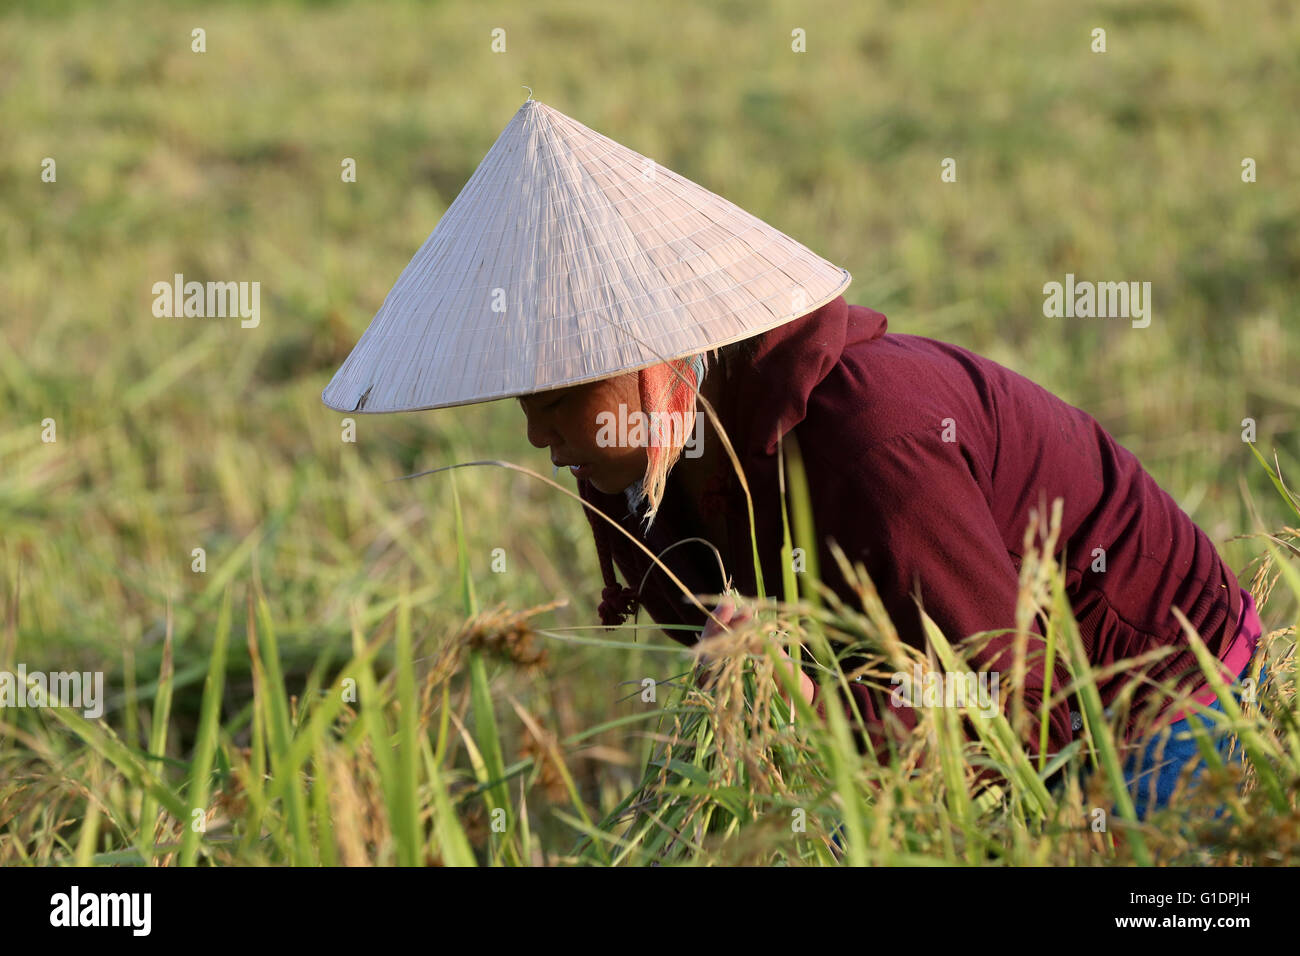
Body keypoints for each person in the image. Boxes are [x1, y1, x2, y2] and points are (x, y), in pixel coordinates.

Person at [323, 95, 1262, 822]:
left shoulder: (873, 440)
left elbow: (1005, 707)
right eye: (525, 403)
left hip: (1149, 693)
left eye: (561, 399)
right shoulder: (634, 462)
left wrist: (813, 705)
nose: (537, 436)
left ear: (662, 364)